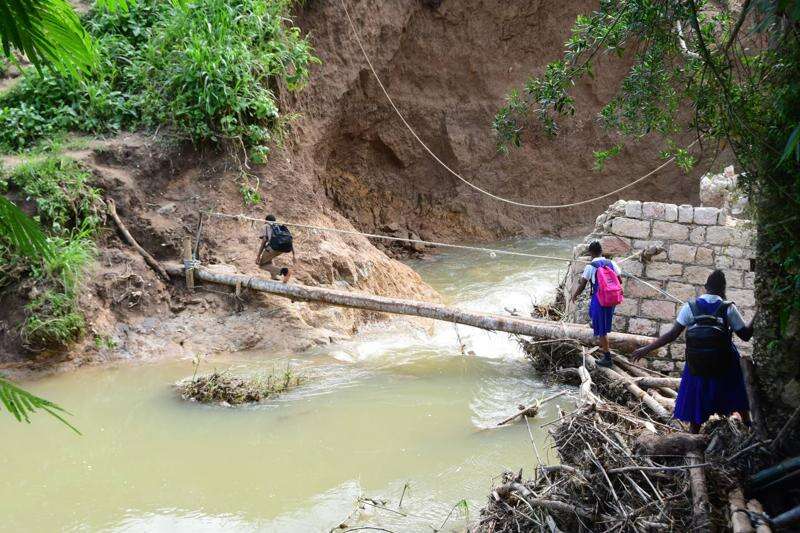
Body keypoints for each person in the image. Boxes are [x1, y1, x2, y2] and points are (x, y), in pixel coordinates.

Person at [631, 270, 753, 433]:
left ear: (705, 287)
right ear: (723, 289)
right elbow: (745, 335)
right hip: (724, 365)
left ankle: (693, 436)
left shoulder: (689, 307)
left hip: (697, 365)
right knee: (737, 395)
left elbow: (672, 335)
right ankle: (748, 427)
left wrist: (646, 349)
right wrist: (758, 313)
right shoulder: (728, 308)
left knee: (697, 404)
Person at [571, 241, 623, 368]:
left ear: (591, 253)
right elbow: (619, 280)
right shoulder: (611, 263)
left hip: (599, 299)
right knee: (598, 320)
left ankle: (607, 358)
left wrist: (575, 295)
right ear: (601, 251)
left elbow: (583, 284)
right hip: (611, 298)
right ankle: (596, 325)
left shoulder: (591, 266)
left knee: (602, 331)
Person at [256, 214, 294, 282]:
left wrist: (258, 255)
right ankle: (274, 276)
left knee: (262, 265)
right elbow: (290, 239)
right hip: (282, 248)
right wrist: (294, 254)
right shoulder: (278, 226)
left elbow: (264, 240)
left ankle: (285, 271)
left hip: (273, 248)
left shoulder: (265, 226)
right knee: (268, 260)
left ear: (266, 220)